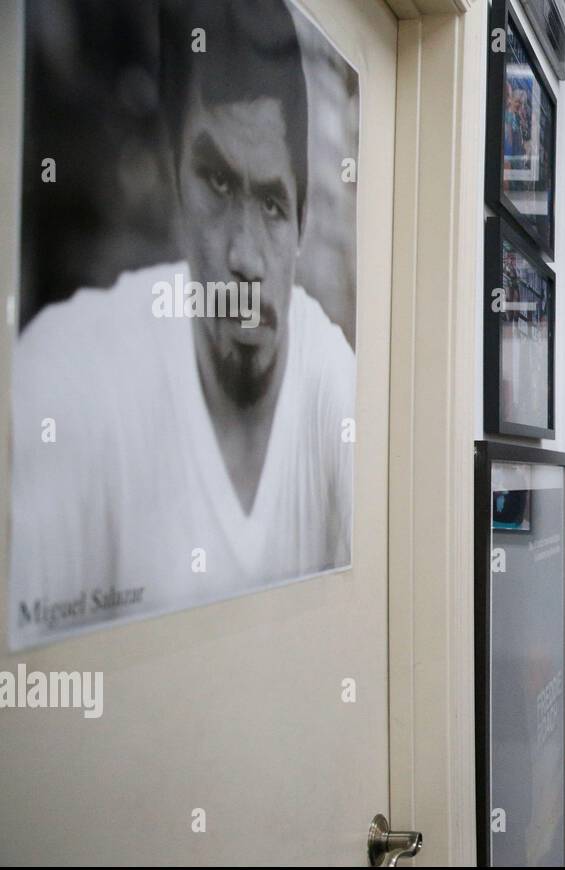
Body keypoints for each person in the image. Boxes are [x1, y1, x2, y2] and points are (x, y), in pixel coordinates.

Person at [8, 0, 355, 647]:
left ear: (303, 227)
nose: (245, 258)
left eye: (273, 205)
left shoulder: (333, 382)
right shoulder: (72, 375)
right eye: (217, 186)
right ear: (173, 187)